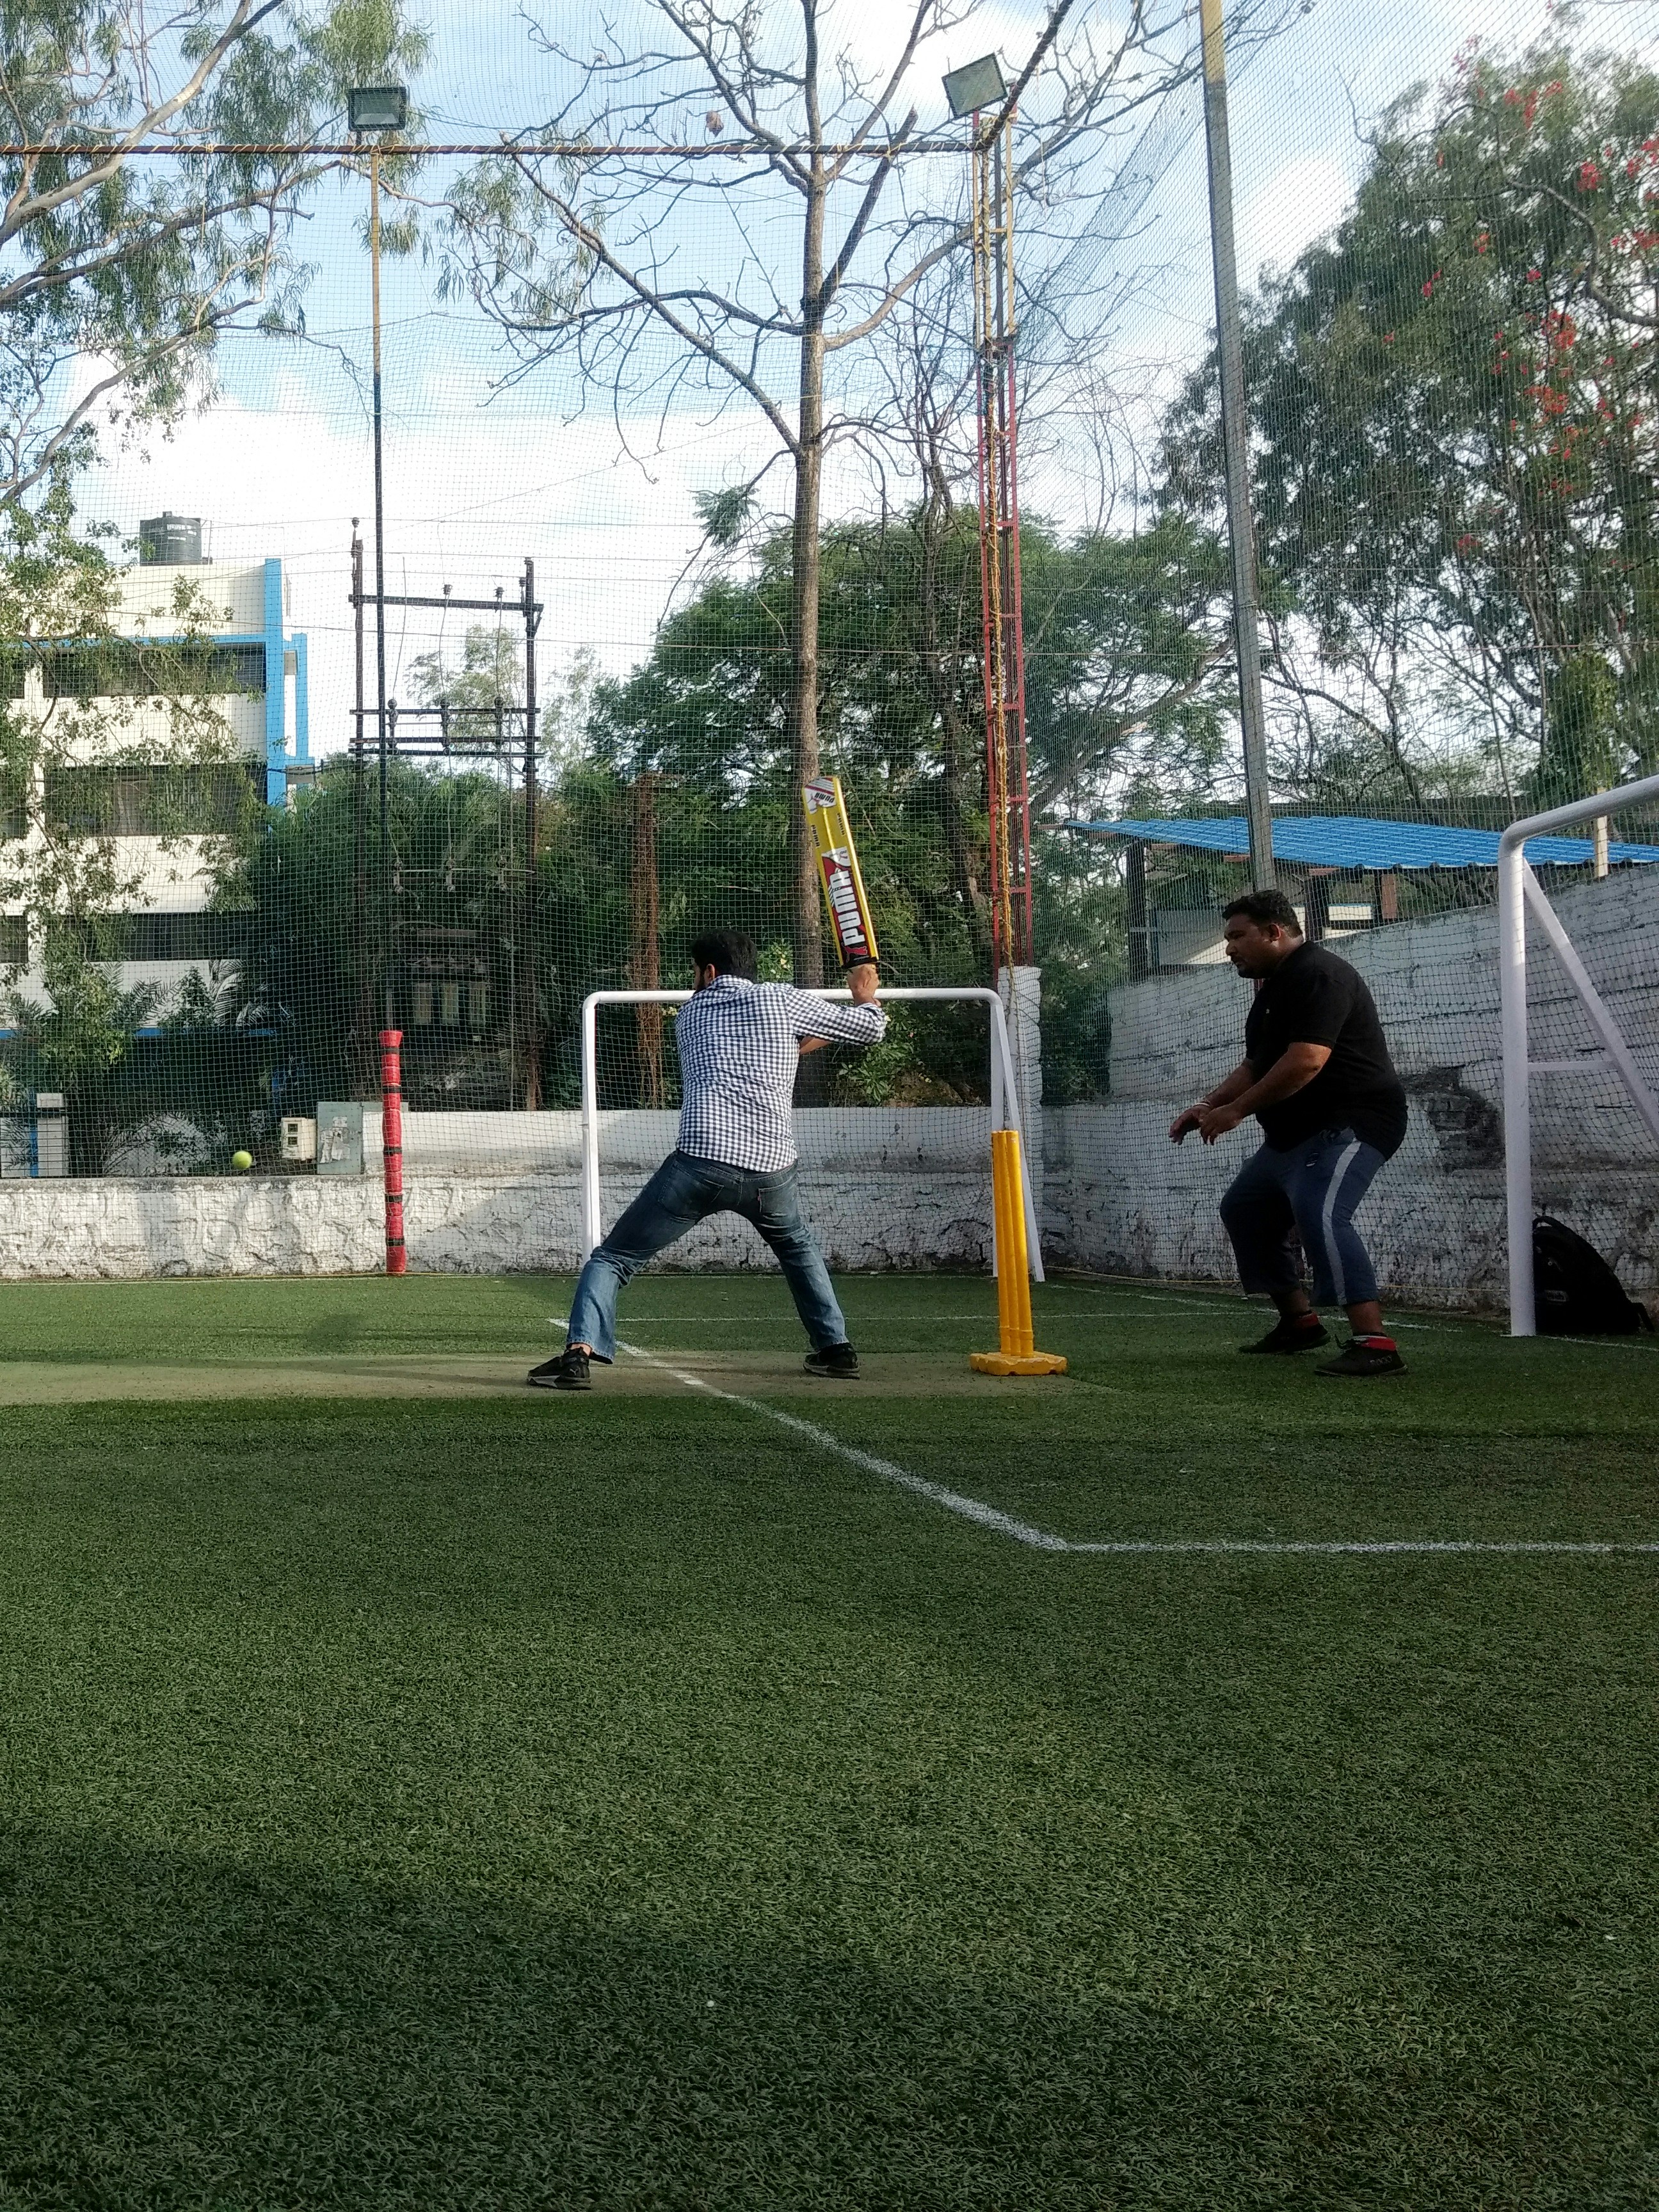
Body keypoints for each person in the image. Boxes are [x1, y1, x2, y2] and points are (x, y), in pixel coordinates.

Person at [529, 927, 886, 1392]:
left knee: (614, 1257)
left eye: (695, 971)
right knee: (798, 1249)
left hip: (700, 1165)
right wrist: (864, 995)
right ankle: (836, 1350)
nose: (693, 979)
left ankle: (578, 1357)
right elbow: (869, 1029)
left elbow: (768, 1048)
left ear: (710, 972)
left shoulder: (691, 1016)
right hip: (771, 1171)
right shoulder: (782, 1000)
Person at [1169, 887, 1409, 1378]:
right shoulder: (1274, 988)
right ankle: (1299, 1323)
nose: (1229, 948)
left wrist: (1236, 1112)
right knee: (1246, 1209)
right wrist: (1209, 1105)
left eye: (1237, 936)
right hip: (1294, 1134)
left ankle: (1375, 1343)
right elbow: (1256, 1065)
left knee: (1321, 1213)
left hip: (1351, 1124)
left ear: (1274, 932)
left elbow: (1307, 1061)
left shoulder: (1319, 975)